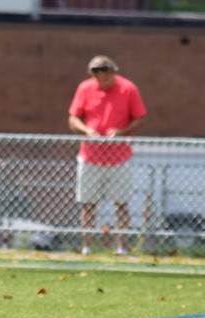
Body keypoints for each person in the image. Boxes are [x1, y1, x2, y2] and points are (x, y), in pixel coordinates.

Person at [68, 55, 147, 256]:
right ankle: (86, 247)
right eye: (96, 72)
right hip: (90, 156)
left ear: (113, 71)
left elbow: (140, 119)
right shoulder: (85, 88)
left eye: (104, 71)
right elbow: (73, 118)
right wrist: (86, 131)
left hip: (119, 157)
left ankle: (121, 247)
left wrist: (120, 133)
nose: (100, 75)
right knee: (88, 203)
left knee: (121, 203)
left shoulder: (128, 89)